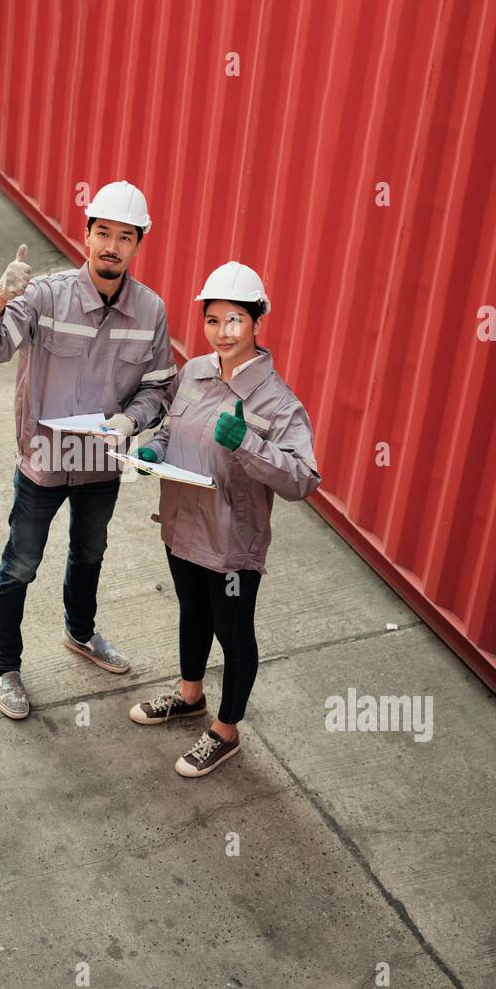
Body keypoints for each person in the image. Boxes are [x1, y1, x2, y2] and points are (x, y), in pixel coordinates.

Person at [0, 181, 177, 719]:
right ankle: (6, 667)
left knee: (90, 554)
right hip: (44, 460)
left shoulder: (150, 312)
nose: (111, 245)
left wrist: (132, 419)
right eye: (102, 232)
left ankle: (80, 634)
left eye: (124, 237)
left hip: (101, 464)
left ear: (137, 245)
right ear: (85, 236)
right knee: (21, 564)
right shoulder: (44, 296)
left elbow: (161, 387)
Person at [129, 262, 321, 777]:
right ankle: (190, 696)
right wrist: (154, 447)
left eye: (234, 319)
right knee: (192, 614)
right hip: (182, 526)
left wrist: (250, 445)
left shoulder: (278, 404)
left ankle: (226, 731)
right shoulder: (193, 371)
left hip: (233, 543)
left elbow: (303, 480)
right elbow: (174, 428)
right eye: (213, 320)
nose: (222, 331)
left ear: (257, 322)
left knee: (233, 634)